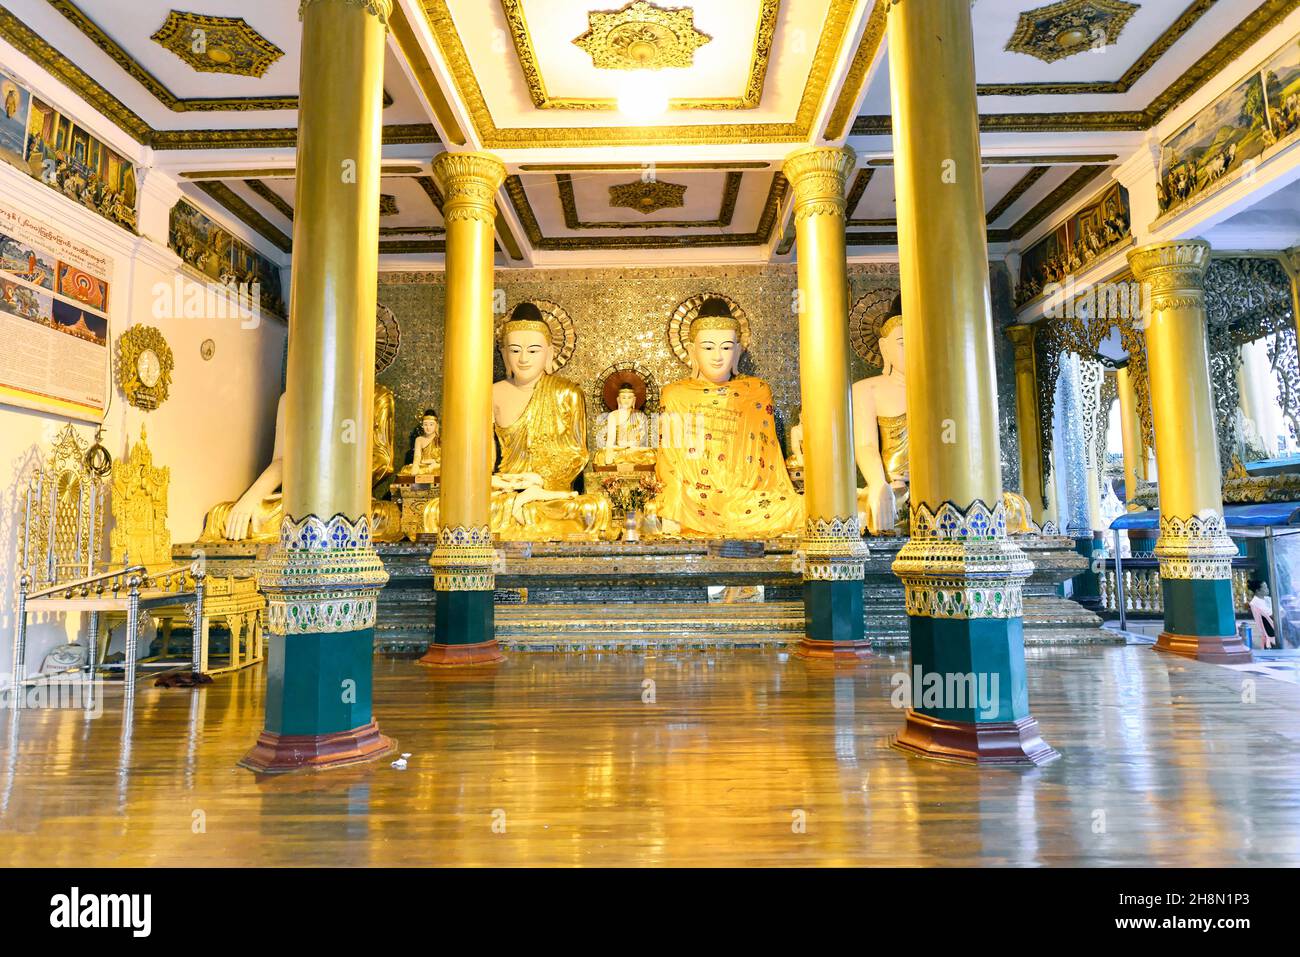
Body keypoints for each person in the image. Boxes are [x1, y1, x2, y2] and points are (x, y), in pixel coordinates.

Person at [1248, 579, 1277, 649]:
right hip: (1270, 630)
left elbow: (1280, 611)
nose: (1267, 589)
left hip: (1275, 627)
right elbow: (1273, 615)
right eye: (1265, 588)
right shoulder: (1255, 603)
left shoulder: (1267, 599)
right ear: (1258, 590)